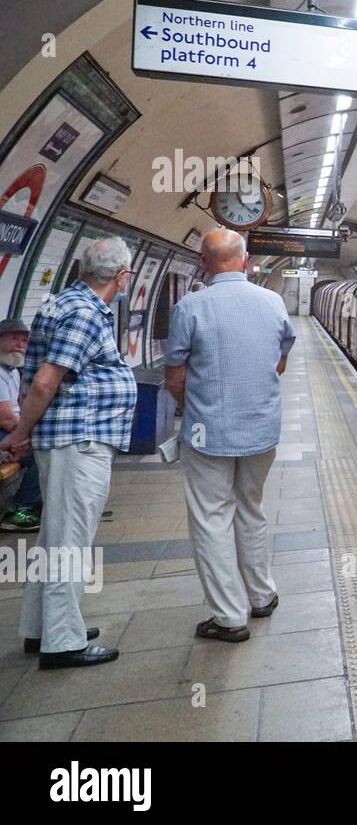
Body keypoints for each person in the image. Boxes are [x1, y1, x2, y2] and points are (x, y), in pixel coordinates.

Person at [0, 237, 137, 669]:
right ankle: (63, 642)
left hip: (68, 440)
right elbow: (45, 381)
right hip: (77, 441)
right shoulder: (84, 312)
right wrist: (21, 433)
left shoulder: (64, 302)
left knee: (54, 536)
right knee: (70, 542)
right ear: (121, 276)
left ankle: (42, 626)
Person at [165, 228, 295, 643]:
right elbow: (280, 362)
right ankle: (261, 595)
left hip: (208, 434)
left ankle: (228, 617)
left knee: (211, 518)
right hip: (262, 430)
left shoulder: (190, 307)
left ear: (203, 262)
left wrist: (193, 407)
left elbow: (174, 376)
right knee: (251, 508)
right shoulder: (273, 301)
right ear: (245, 259)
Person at [0, 318, 42, 532]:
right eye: (13, 338)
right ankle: (20, 510)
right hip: (4, 434)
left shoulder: (12, 371)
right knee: (41, 452)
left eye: (24, 340)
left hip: (10, 433)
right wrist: (28, 435)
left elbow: (20, 408)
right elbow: (6, 419)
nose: (19, 344)